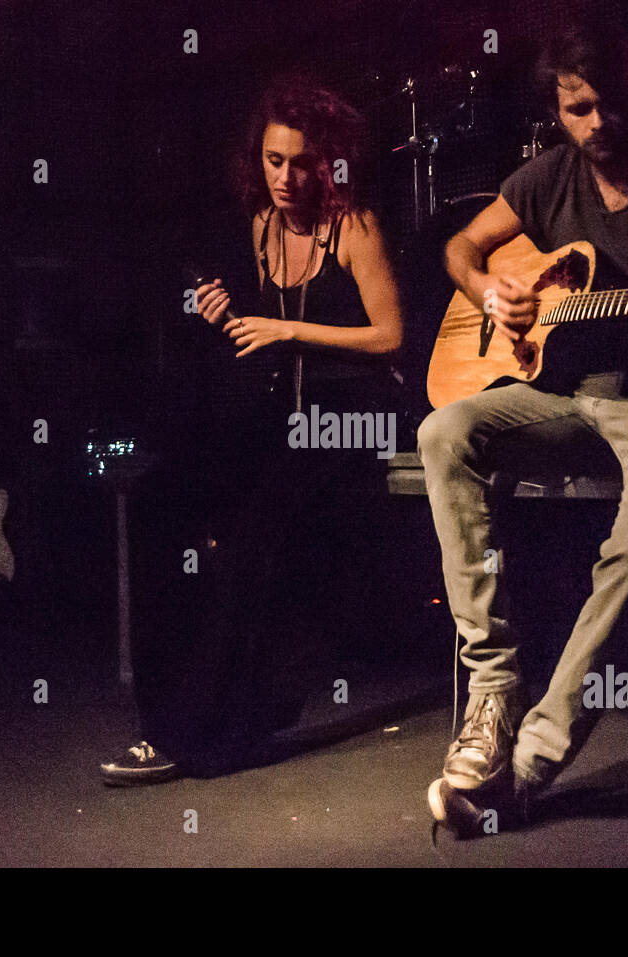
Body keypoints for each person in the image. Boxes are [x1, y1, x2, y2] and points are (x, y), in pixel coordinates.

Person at [421, 20, 628, 834]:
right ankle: (493, 685)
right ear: (557, 112)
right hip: (572, 393)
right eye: (576, 109)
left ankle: (531, 761)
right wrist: (489, 294)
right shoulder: (547, 177)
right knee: (443, 432)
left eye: (607, 105)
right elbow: (461, 248)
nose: (595, 123)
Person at [101, 78, 404, 785]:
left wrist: (288, 328)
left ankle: (200, 731)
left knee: (247, 535)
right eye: (273, 161)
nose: (286, 179)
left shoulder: (353, 227)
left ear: (326, 163)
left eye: (300, 163)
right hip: (280, 418)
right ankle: (167, 717)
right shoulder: (261, 226)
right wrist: (218, 308)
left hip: (350, 417)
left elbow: (390, 336)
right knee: (158, 498)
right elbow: (254, 338)